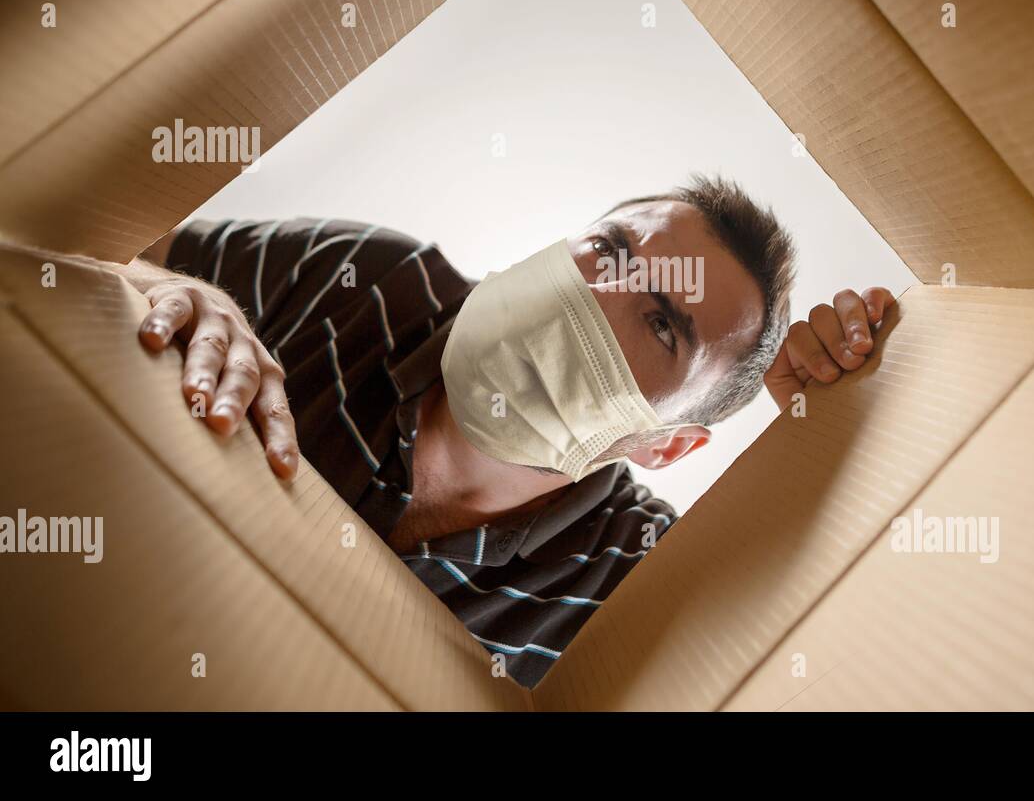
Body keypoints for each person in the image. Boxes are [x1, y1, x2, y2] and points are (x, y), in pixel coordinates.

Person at [124, 175, 894, 686]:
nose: (593, 297)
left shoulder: (627, 582)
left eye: (661, 324)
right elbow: (101, 252)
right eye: (610, 251)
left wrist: (810, 447)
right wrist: (178, 289)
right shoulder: (367, 281)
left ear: (666, 445)